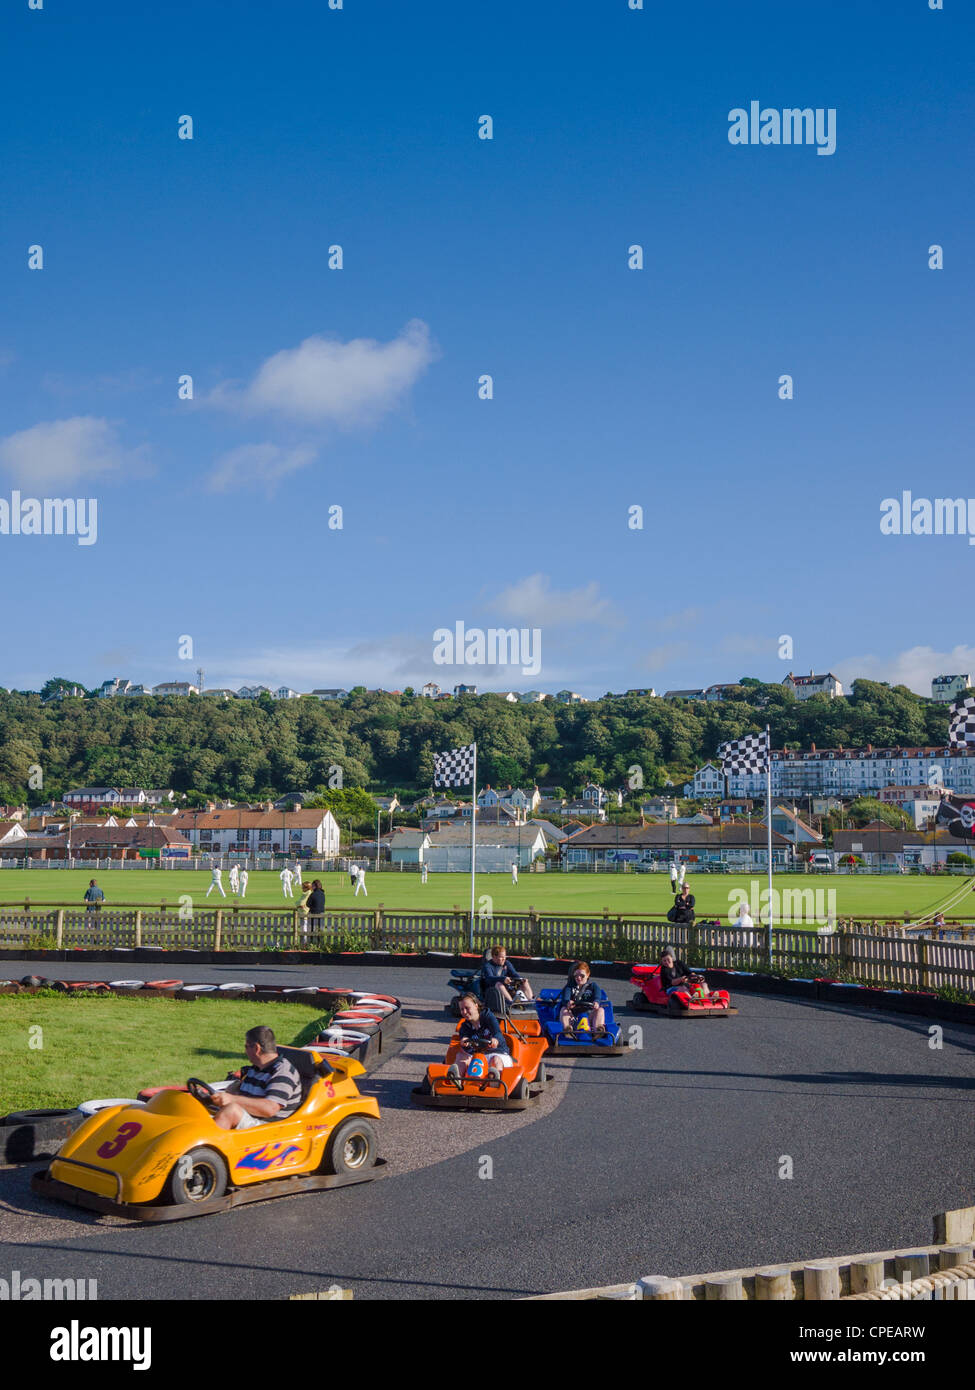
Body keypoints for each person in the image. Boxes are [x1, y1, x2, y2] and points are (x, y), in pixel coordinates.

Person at [210, 1026, 303, 1130]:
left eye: (246, 1047)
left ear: (256, 1048)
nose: (245, 1051)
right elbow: (244, 1097)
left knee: (231, 1111)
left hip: (271, 1128)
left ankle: (203, 1143)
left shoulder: (283, 1072)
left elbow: (270, 1109)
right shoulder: (256, 1069)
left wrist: (232, 1099)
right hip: (251, 1120)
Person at [447, 994, 513, 1083]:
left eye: (467, 1008)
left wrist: (495, 1040)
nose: (465, 1012)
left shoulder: (488, 1018)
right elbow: (464, 1038)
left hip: (496, 1053)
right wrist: (464, 1041)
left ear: (476, 1005)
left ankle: (494, 1080)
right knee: (460, 1056)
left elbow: (497, 1033)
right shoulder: (464, 1026)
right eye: (462, 1009)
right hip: (477, 1057)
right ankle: (455, 1080)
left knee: (495, 1060)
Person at [558, 961, 606, 1038]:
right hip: (573, 1017)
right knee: (564, 1009)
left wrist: (596, 1002)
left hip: (589, 1016)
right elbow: (565, 998)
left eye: (582, 975)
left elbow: (597, 997)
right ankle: (568, 1030)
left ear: (588, 975)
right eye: (576, 975)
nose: (579, 978)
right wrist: (568, 1002)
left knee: (601, 1010)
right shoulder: (569, 987)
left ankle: (597, 1031)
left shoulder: (593, 986)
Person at [478, 944, 533, 1012]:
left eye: (504, 956)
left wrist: (521, 979)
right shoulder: (488, 966)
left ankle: (530, 1001)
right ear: (494, 957)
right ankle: (511, 1003)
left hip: (507, 988)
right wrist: (503, 979)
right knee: (499, 984)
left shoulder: (506, 963)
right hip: (492, 990)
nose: (504, 958)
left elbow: (514, 974)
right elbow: (489, 979)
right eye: (501, 957)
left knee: (524, 982)